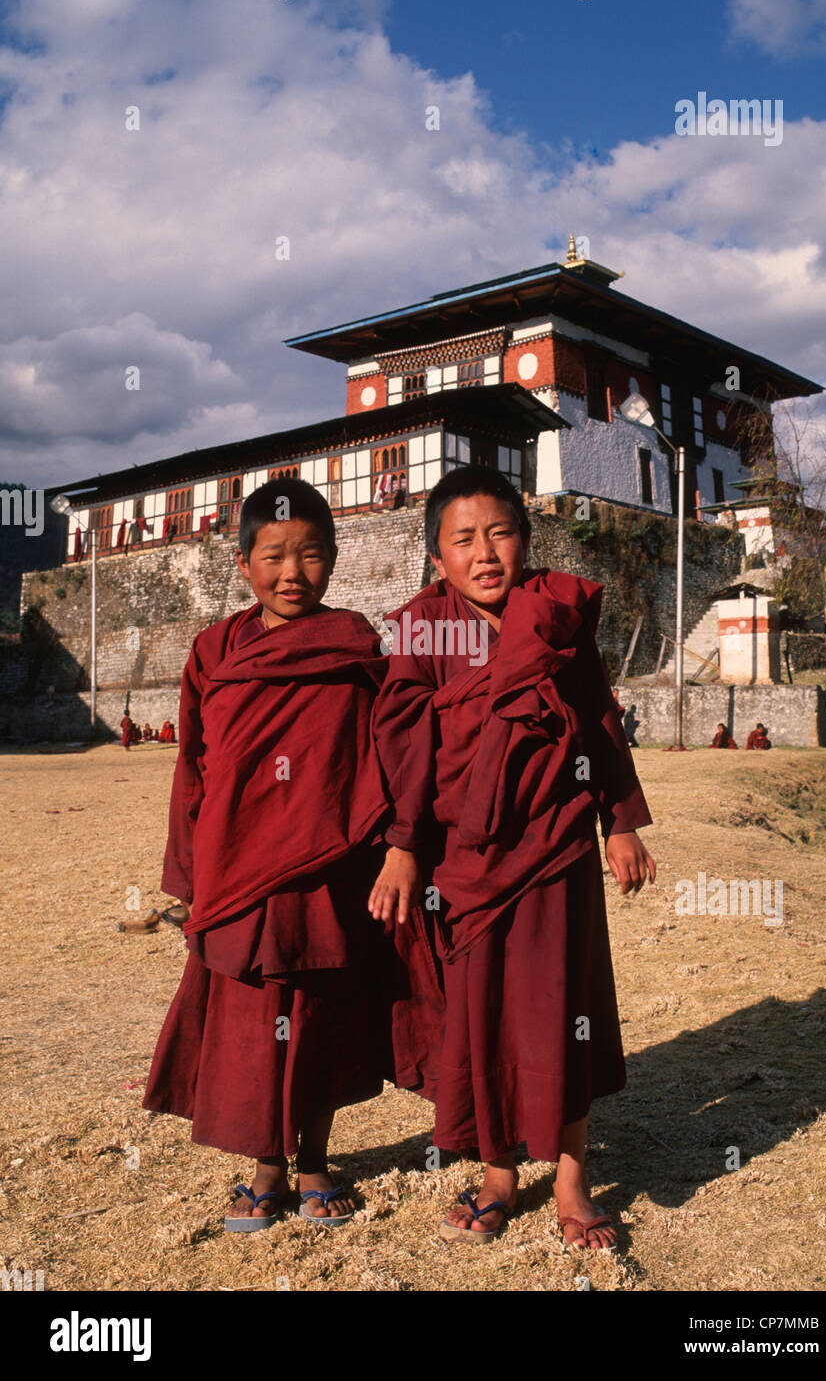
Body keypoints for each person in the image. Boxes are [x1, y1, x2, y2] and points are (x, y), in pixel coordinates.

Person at [368, 466, 655, 1251]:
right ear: (437, 559)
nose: (485, 552)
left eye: (500, 533)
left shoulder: (554, 611)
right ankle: (498, 1174)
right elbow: (401, 746)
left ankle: (570, 1179)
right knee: (482, 1016)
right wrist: (400, 847)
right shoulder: (421, 629)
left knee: (563, 1011)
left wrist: (620, 822)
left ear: (525, 543)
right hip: (466, 856)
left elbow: (596, 715)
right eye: (463, 540)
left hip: (556, 844)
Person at [143, 478, 393, 1231]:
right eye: (274, 556)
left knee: (317, 1011)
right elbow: (194, 767)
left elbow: (382, 752)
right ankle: (265, 1166)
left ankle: (313, 1160)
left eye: (311, 555)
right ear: (244, 562)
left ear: (335, 559)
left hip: (326, 867)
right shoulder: (214, 650)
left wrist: (393, 851)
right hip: (236, 866)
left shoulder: (353, 644)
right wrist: (186, 873)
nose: (293, 574)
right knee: (254, 1019)